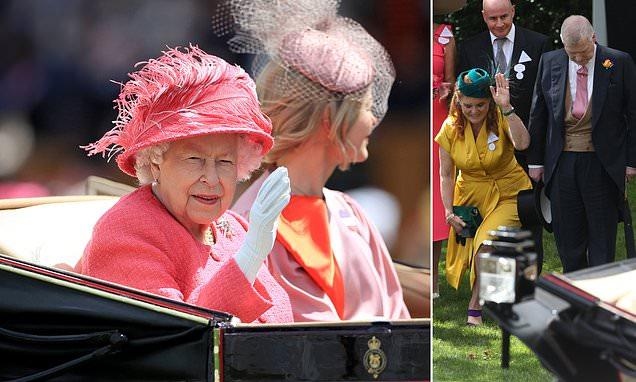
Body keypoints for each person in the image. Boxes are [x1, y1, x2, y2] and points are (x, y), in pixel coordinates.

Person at [222, 0, 410, 322]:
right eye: (366, 107)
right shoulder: (253, 225)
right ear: (328, 120)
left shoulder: (352, 214)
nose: (374, 120)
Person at [76, 46, 294, 324]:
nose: (212, 179)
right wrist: (249, 257)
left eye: (225, 162)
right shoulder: (125, 230)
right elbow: (180, 335)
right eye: (195, 159)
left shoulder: (236, 229)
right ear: (155, 161)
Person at [527, 15, 636, 272]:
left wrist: (631, 162)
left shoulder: (618, 62)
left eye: (583, 52)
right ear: (562, 44)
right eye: (571, 53)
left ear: (594, 38)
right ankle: (575, 296)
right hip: (562, 162)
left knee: (601, 235)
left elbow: (633, 115)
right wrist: (535, 161)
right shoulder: (550, 61)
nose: (578, 59)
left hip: (602, 162)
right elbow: (538, 113)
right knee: (568, 238)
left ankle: (600, 297)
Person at [457, 0, 552, 273]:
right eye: (493, 18)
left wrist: (537, 159)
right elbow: (465, 103)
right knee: (488, 223)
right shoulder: (469, 47)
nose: (499, 24)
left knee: (528, 218)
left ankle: (527, 283)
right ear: (483, 16)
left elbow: (545, 102)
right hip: (485, 153)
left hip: (525, 147)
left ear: (513, 12)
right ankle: (492, 290)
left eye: (504, 17)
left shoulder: (539, 44)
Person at [436, 68, 531, 325]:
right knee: (483, 248)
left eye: (480, 105)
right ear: (458, 100)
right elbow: (446, 175)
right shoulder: (449, 128)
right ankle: (499, 295)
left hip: (508, 193)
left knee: (486, 242)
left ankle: (475, 306)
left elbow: (523, 143)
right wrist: (448, 211)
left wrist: (507, 107)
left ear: (489, 102)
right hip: (470, 197)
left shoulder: (500, 117)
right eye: (468, 105)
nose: (474, 111)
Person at [432, 21, 456, 298]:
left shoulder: (445, 34)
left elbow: (451, 79)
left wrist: (445, 90)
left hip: (438, 115)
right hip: (411, 114)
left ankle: (435, 281)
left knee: (439, 198)